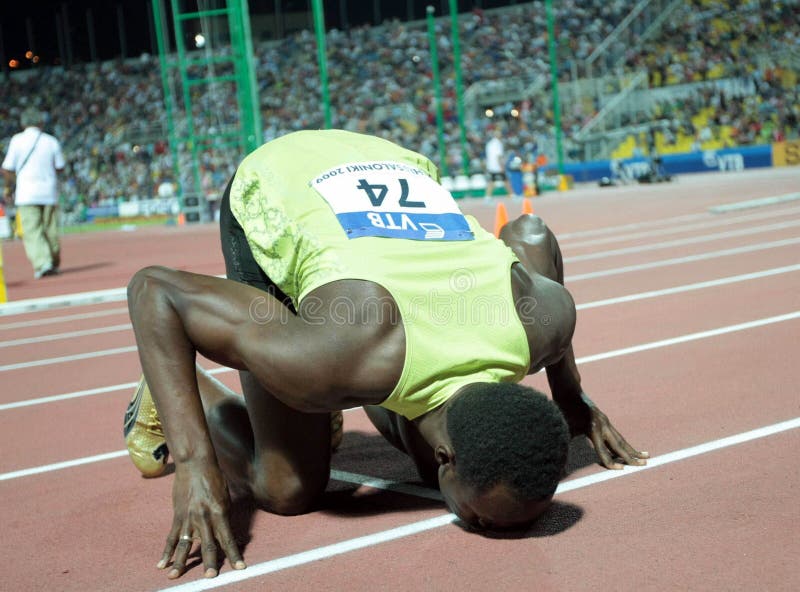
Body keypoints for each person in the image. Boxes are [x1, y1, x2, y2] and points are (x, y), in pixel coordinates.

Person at [124, 129, 647, 580]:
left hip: (391, 169)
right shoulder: (337, 358)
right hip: (282, 179)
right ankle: (164, 392)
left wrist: (570, 397)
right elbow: (155, 292)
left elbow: (531, 234)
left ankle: (305, 415)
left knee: (386, 429)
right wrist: (196, 464)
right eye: (485, 519)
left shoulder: (540, 326)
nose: (486, 527)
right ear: (449, 458)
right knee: (288, 488)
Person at [1, 107, 66, 279]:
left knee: (32, 230)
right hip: (48, 191)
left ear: (23, 124)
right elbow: (60, 167)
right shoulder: (51, 141)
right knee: (50, 229)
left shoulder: (17, 141)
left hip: (26, 193)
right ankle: (52, 260)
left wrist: (8, 187)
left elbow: (7, 168)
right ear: (41, 122)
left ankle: (43, 263)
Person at [484, 128, 513, 199]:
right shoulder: (498, 144)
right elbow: (498, 156)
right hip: (497, 166)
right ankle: (512, 195)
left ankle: (488, 197)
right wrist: (501, 166)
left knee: (491, 181)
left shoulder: (489, 143)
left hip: (491, 166)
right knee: (506, 180)